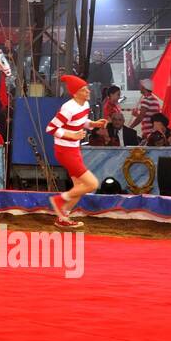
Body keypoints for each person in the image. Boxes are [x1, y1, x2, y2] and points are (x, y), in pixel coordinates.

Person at [45, 75, 107, 228]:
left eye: (86, 88)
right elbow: (50, 128)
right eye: (83, 90)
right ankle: (60, 200)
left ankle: (63, 218)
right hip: (65, 151)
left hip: (73, 149)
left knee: (79, 187)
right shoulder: (68, 108)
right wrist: (71, 135)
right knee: (92, 184)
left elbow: (80, 122)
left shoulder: (84, 104)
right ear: (75, 93)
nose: (88, 91)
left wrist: (93, 124)